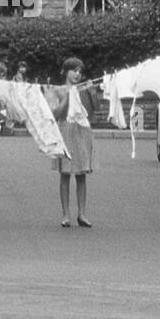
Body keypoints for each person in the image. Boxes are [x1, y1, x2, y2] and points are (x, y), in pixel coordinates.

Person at [50, 57, 100, 229]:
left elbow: (95, 108)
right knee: (65, 174)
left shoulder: (83, 89)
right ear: (66, 71)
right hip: (64, 130)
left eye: (80, 72)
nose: (77, 75)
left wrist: (92, 91)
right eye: (74, 71)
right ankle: (65, 214)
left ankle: (82, 214)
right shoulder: (58, 90)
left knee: (81, 174)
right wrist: (67, 96)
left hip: (82, 131)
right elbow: (55, 113)